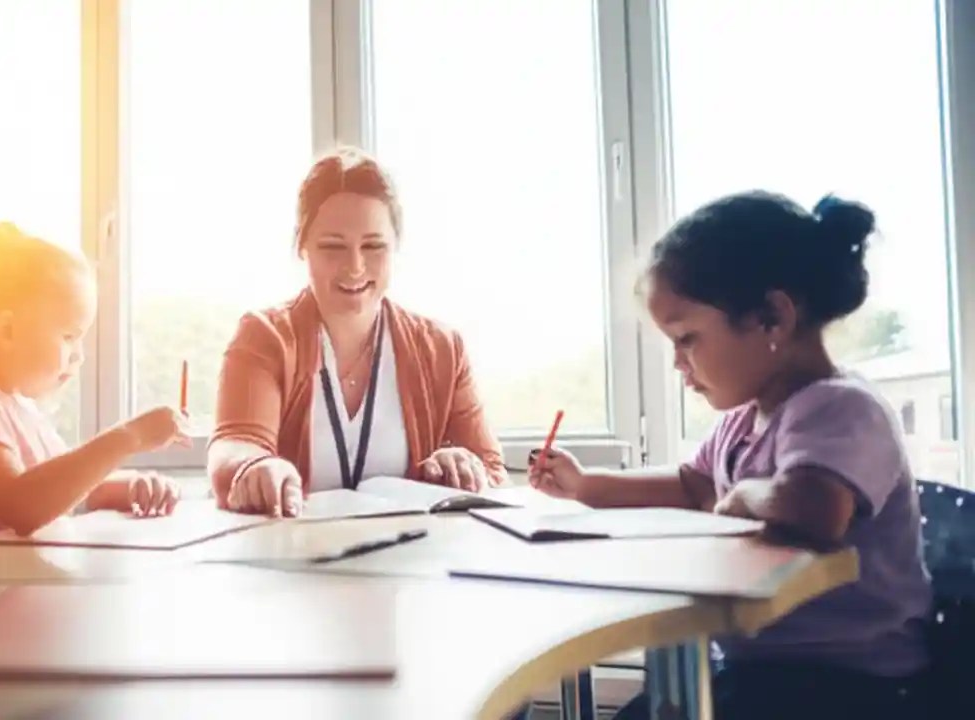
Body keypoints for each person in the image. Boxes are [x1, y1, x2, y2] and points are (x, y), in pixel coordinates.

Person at [532, 191, 932, 719]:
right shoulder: (746, 419)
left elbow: (815, 510)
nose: (678, 363)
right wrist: (586, 486)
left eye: (687, 338)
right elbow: (694, 485)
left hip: (852, 685)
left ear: (772, 317)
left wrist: (744, 494)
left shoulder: (841, 407)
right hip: (765, 670)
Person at [209, 148, 507, 517]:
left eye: (373, 246)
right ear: (302, 246)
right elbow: (235, 444)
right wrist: (251, 468)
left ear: (395, 245)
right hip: (294, 564)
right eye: (333, 247)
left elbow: (493, 473)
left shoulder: (444, 349)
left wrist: (465, 468)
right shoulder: (265, 335)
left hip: (410, 565)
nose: (354, 267)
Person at [0, 223, 189, 583]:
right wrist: (129, 437)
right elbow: (21, 504)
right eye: (69, 336)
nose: (78, 356)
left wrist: (128, 487)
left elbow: (68, 492)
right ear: (6, 331)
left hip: (7, 612)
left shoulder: (20, 407)